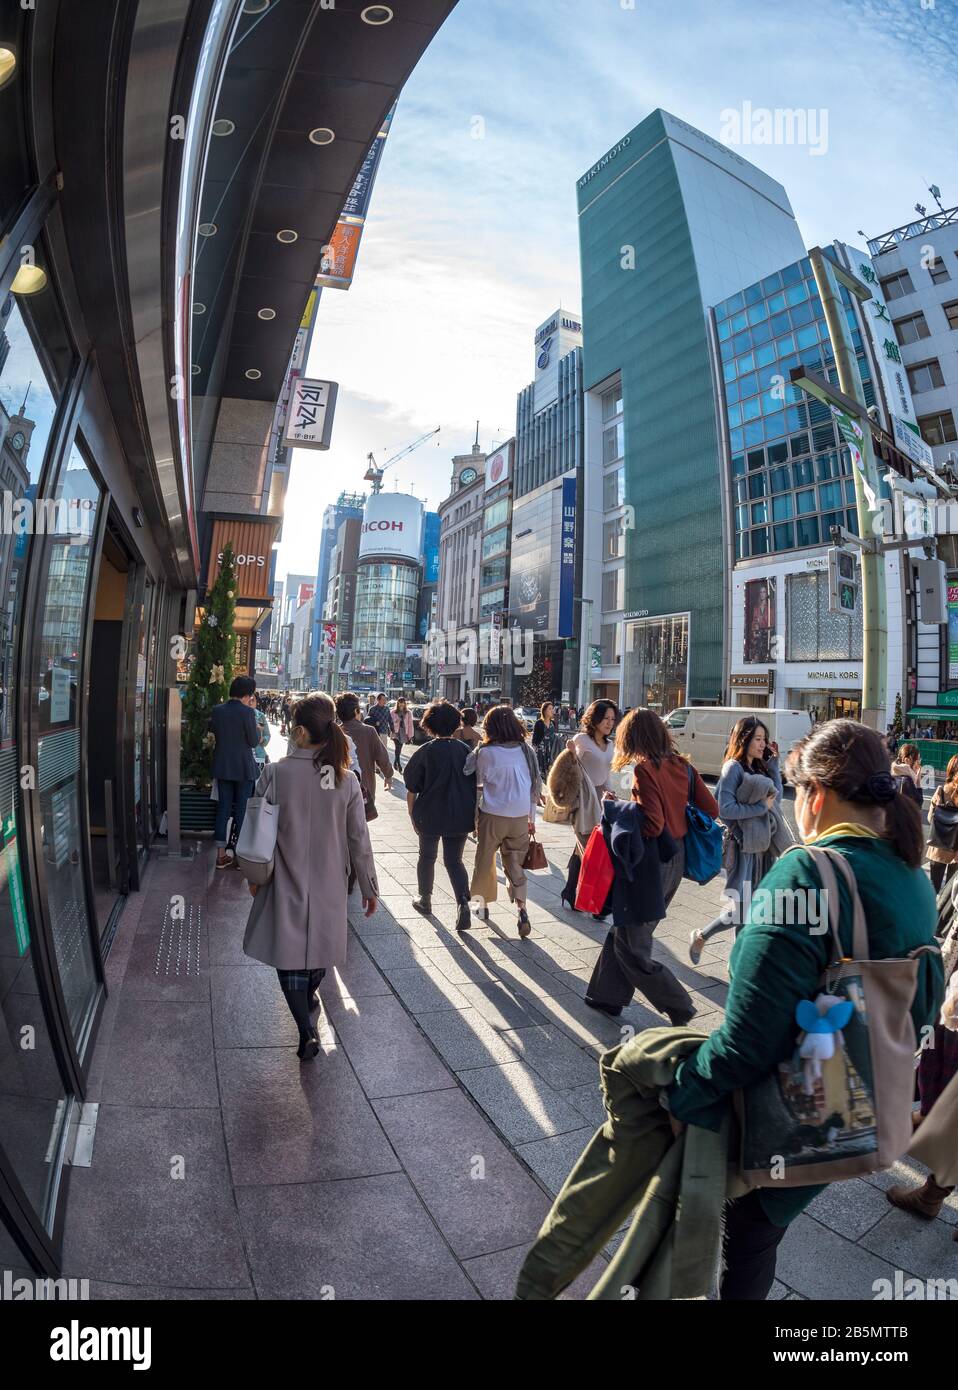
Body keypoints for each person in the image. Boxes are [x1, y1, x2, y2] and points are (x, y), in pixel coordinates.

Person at [667, 720, 944, 1299]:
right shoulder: (913, 875)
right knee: (765, 1229)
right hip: (863, 1111)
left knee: (748, 1230)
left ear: (814, 793)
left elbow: (748, 1039)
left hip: (793, 1120)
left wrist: (683, 1090)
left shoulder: (806, 872)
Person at [243, 695, 378, 1061]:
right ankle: (309, 1010)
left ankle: (305, 1026)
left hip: (284, 878)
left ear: (299, 731)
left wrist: (252, 875)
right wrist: (369, 887)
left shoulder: (275, 773)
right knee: (318, 952)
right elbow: (358, 839)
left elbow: (255, 830)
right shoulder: (344, 779)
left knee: (288, 957)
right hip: (330, 882)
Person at [584, 708, 719, 1024]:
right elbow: (711, 809)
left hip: (651, 864)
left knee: (634, 945)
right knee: (626, 928)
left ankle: (679, 1005)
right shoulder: (683, 766)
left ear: (631, 737)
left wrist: (614, 807)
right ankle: (606, 996)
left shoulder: (645, 770)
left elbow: (653, 825)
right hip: (678, 858)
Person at [688, 717, 792, 963]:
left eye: (764, 739)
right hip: (743, 847)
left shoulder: (759, 767)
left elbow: (774, 800)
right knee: (744, 909)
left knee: (753, 908)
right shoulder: (733, 768)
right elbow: (724, 809)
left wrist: (774, 765)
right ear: (743, 739)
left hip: (763, 846)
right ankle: (703, 936)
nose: (762, 743)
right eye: (757, 738)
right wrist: (758, 807)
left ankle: (737, 963)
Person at [464, 704, 542, 938]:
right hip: (520, 817)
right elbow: (534, 786)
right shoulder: (526, 751)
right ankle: (522, 909)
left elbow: (473, 776)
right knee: (515, 865)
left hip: (493, 815)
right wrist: (531, 817)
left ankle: (481, 905)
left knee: (484, 861)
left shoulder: (486, 752)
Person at [404, 700, 477, 934]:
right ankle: (463, 901)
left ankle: (425, 899)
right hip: (460, 813)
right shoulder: (465, 751)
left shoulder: (426, 751)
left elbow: (411, 787)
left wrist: (412, 814)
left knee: (426, 856)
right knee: (454, 860)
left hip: (430, 813)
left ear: (430, 725)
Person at [560, 700, 619, 909]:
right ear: (595, 719)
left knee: (586, 847)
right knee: (591, 849)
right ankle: (599, 902)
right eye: (605, 718)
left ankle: (569, 891)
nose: (610, 723)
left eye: (612, 719)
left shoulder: (611, 745)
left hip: (601, 801)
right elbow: (568, 769)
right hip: (582, 801)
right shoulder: (581, 740)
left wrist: (611, 796)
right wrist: (571, 754)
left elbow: (605, 775)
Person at [210, 676, 260, 871]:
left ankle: (220, 856)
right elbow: (254, 742)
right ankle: (240, 857)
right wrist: (255, 729)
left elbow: (213, 730)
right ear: (248, 694)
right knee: (241, 810)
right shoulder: (248, 713)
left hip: (223, 766)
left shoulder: (217, 710)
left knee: (223, 808)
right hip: (244, 768)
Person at [336, 692, 392, 820]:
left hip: (338, 787)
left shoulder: (335, 733)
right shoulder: (369, 731)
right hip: (364, 787)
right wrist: (388, 775)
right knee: (360, 826)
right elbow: (382, 756)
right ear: (357, 711)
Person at [926, 754, 958, 894]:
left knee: (933, 888)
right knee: (950, 894)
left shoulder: (941, 790)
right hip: (956, 850)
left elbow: (930, 818)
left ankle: (932, 915)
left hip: (938, 846)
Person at [532, 701, 561, 780]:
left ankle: (549, 790)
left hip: (551, 751)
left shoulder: (553, 723)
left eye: (552, 709)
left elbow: (554, 736)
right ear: (544, 710)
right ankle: (539, 790)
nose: (552, 711)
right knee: (540, 773)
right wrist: (534, 752)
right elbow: (534, 739)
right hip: (541, 752)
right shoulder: (539, 723)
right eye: (550, 709)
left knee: (551, 773)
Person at [891, 742, 923, 807]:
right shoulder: (907, 780)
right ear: (907, 760)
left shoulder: (893, 775)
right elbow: (918, 803)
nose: (919, 764)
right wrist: (918, 782)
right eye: (917, 760)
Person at [390, 697, 414, 773]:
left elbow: (410, 724)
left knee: (399, 748)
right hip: (395, 732)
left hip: (404, 733)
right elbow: (390, 723)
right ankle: (399, 765)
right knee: (397, 747)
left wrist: (410, 735)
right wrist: (396, 721)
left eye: (403, 702)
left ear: (404, 703)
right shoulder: (393, 712)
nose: (401, 704)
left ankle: (395, 762)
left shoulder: (408, 712)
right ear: (398, 703)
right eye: (400, 702)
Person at [252, 695, 271, 768]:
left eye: (253, 700)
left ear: (256, 702)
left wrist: (263, 739)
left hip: (259, 754)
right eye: (249, 700)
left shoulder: (260, 715)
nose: (250, 703)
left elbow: (267, 734)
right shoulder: (240, 716)